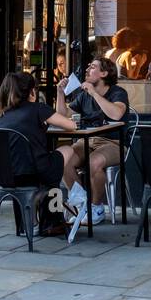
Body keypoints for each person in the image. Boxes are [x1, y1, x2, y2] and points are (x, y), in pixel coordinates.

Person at [0, 72, 80, 239]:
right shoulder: (38, 109)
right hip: (37, 173)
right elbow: (71, 125)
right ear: (32, 92)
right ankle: (49, 217)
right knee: (67, 151)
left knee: (51, 168)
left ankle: (33, 219)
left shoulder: (3, 115)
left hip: (9, 177)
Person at [55, 57, 130, 227]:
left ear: (104, 73)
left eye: (93, 67)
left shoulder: (117, 92)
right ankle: (82, 204)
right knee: (63, 160)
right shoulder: (83, 95)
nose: (88, 69)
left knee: (93, 162)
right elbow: (63, 115)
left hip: (113, 143)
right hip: (87, 141)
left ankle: (96, 207)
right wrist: (60, 93)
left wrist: (94, 94)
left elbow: (117, 114)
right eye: (88, 66)